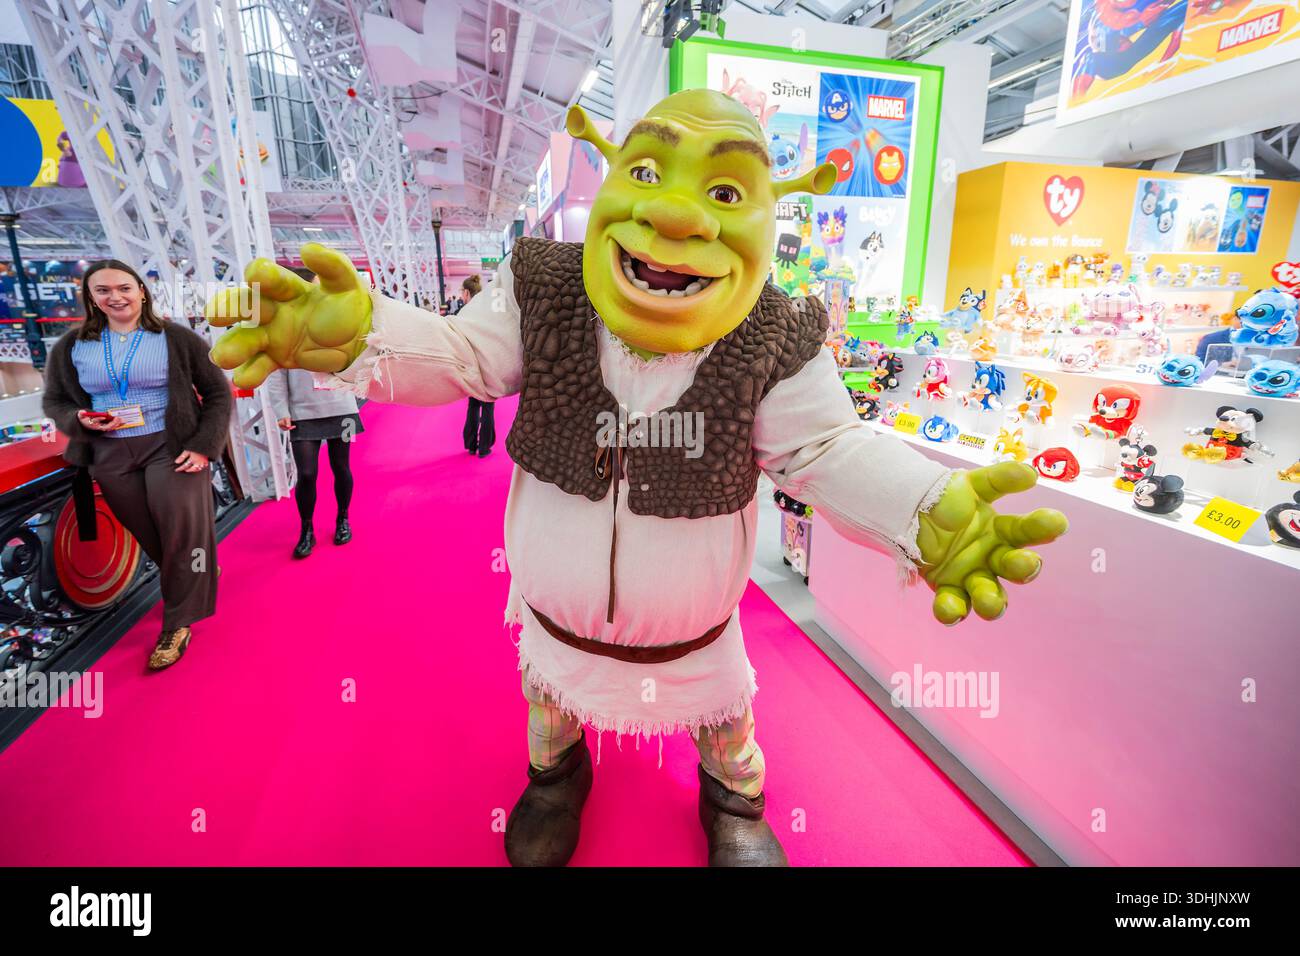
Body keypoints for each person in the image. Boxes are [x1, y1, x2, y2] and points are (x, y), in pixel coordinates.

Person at [208, 90, 1067, 867]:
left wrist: (924, 510)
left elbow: (824, 449)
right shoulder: (544, 285)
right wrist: (362, 338)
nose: (672, 213)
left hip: (697, 629)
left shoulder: (775, 330)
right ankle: (556, 777)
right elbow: (465, 356)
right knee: (548, 702)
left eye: (725, 194)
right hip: (555, 617)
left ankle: (735, 795)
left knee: (726, 720)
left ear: (770, 218)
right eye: (648, 171)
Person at [44, 259, 231, 670]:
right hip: (110, 451)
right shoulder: (72, 346)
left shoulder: (176, 338)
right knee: (149, 533)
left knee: (180, 530)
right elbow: (57, 401)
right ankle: (198, 571)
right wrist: (79, 418)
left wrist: (203, 446)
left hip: (171, 445)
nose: (115, 297)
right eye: (103, 290)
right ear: (91, 297)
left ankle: (177, 624)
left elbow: (219, 393)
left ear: (141, 291)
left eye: (124, 288)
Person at [264, 269, 363, 557]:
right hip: (302, 413)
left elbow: (357, 359)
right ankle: (306, 528)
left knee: (341, 467)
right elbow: (275, 373)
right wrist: (281, 409)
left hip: (341, 408)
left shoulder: (338, 322)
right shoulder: (282, 328)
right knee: (306, 473)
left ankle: (342, 519)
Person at [457, 275, 494, 457]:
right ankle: (484, 447)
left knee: (473, 405)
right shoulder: (488, 312)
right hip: (488, 364)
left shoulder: (463, 314)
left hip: (470, 365)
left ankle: (471, 445)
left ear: (466, 292)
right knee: (488, 407)